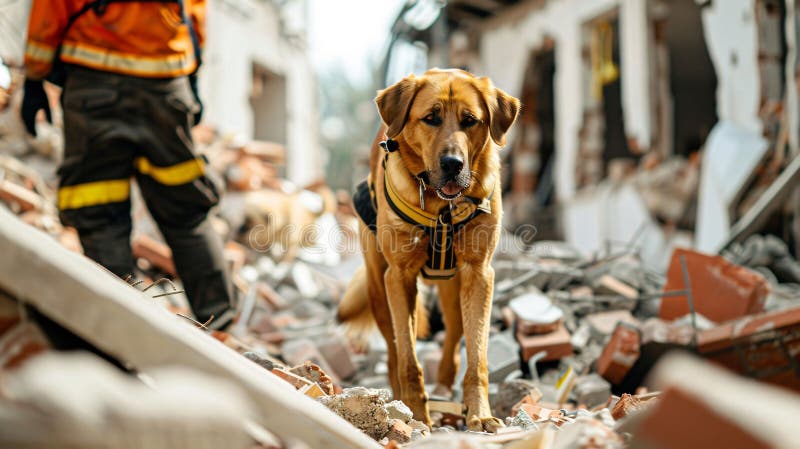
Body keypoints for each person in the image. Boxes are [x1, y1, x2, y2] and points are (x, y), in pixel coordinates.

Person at [22, 0, 236, 329]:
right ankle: (223, 325)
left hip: (95, 86)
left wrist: (35, 76)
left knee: (99, 213)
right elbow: (194, 12)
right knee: (186, 212)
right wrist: (191, 74)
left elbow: (49, 11)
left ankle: (123, 331)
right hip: (165, 85)